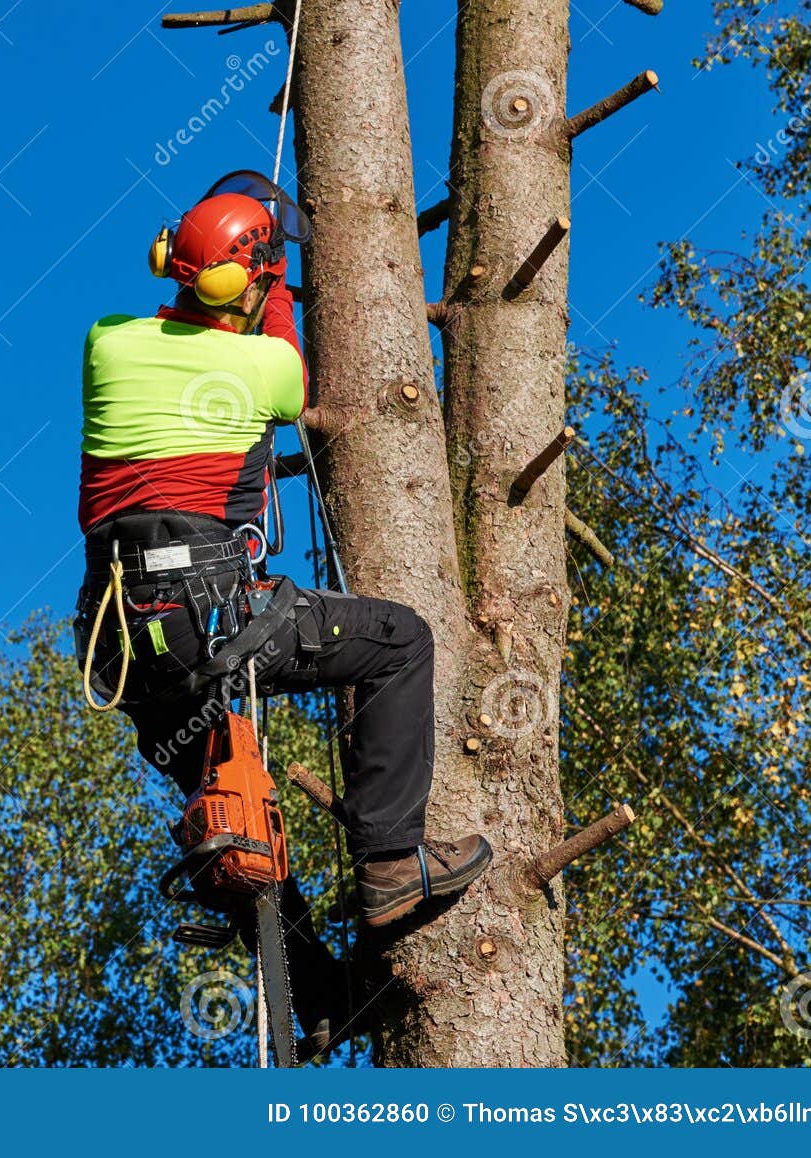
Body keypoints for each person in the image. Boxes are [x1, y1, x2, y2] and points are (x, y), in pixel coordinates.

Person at [74, 173, 493, 1054]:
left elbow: (187, 315)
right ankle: (390, 863)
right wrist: (278, 287)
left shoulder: (107, 344)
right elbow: (288, 371)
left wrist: (239, 263)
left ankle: (321, 994)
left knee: (235, 815)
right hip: (206, 613)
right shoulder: (261, 363)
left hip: (122, 645)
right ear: (252, 281)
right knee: (400, 643)